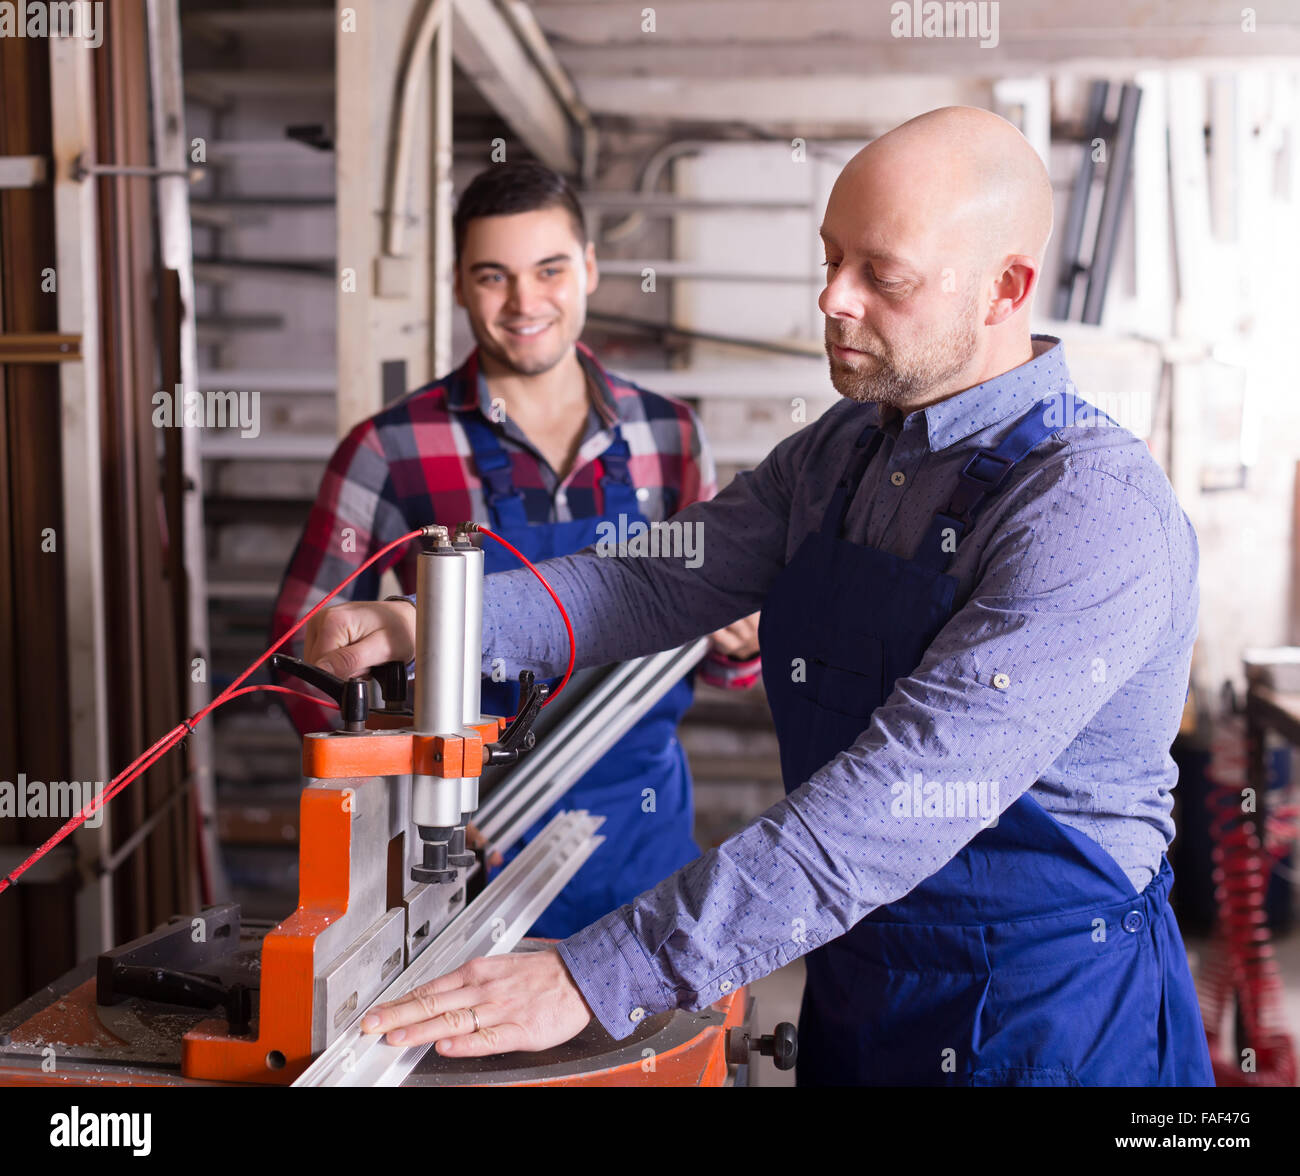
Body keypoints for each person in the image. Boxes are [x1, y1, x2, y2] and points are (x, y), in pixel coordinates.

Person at [313, 108, 1215, 1086]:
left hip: (1047, 1015)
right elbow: (652, 574)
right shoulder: (841, 453)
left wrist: (599, 973)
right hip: (859, 971)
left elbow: (897, 800)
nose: (831, 296)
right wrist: (436, 625)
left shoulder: (1087, 508)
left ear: (1005, 288)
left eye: (883, 275)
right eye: (829, 258)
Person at [274, 161, 761, 938]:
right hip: (462, 850)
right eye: (493, 276)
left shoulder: (669, 437)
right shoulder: (391, 448)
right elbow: (302, 659)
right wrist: (409, 801)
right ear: (459, 285)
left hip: (638, 843)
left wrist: (740, 638)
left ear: (591, 269)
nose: (525, 302)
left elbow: (721, 657)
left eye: (549, 270)